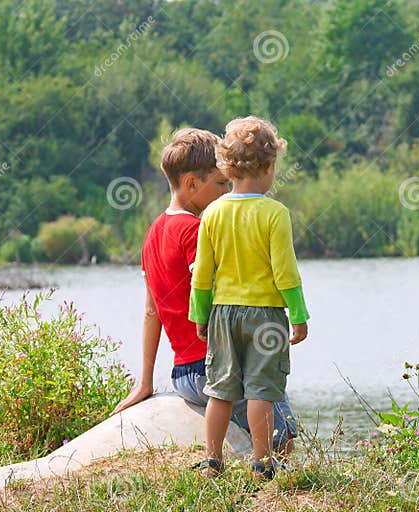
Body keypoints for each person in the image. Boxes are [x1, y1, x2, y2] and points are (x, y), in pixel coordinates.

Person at [111, 127, 298, 458]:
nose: (227, 191)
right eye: (221, 183)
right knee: (281, 431)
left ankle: (222, 463)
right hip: (212, 367)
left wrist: (145, 382)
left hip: (182, 376)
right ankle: (272, 486)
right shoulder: (196, 229)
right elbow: (220, 294)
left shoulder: (152, 234)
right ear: (191, 184)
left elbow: (151, 313)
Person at [189, 116, 309, 479]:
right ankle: (261, 461)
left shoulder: (212, 212)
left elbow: (202, 274)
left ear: (227, 165)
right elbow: (285, 272)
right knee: (261, 389)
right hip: (266, 317)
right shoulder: (275, 214)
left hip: (223, 314)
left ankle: (212, 460)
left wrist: (200, 316)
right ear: (270, 166)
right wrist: (300, 315)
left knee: (221, 390)